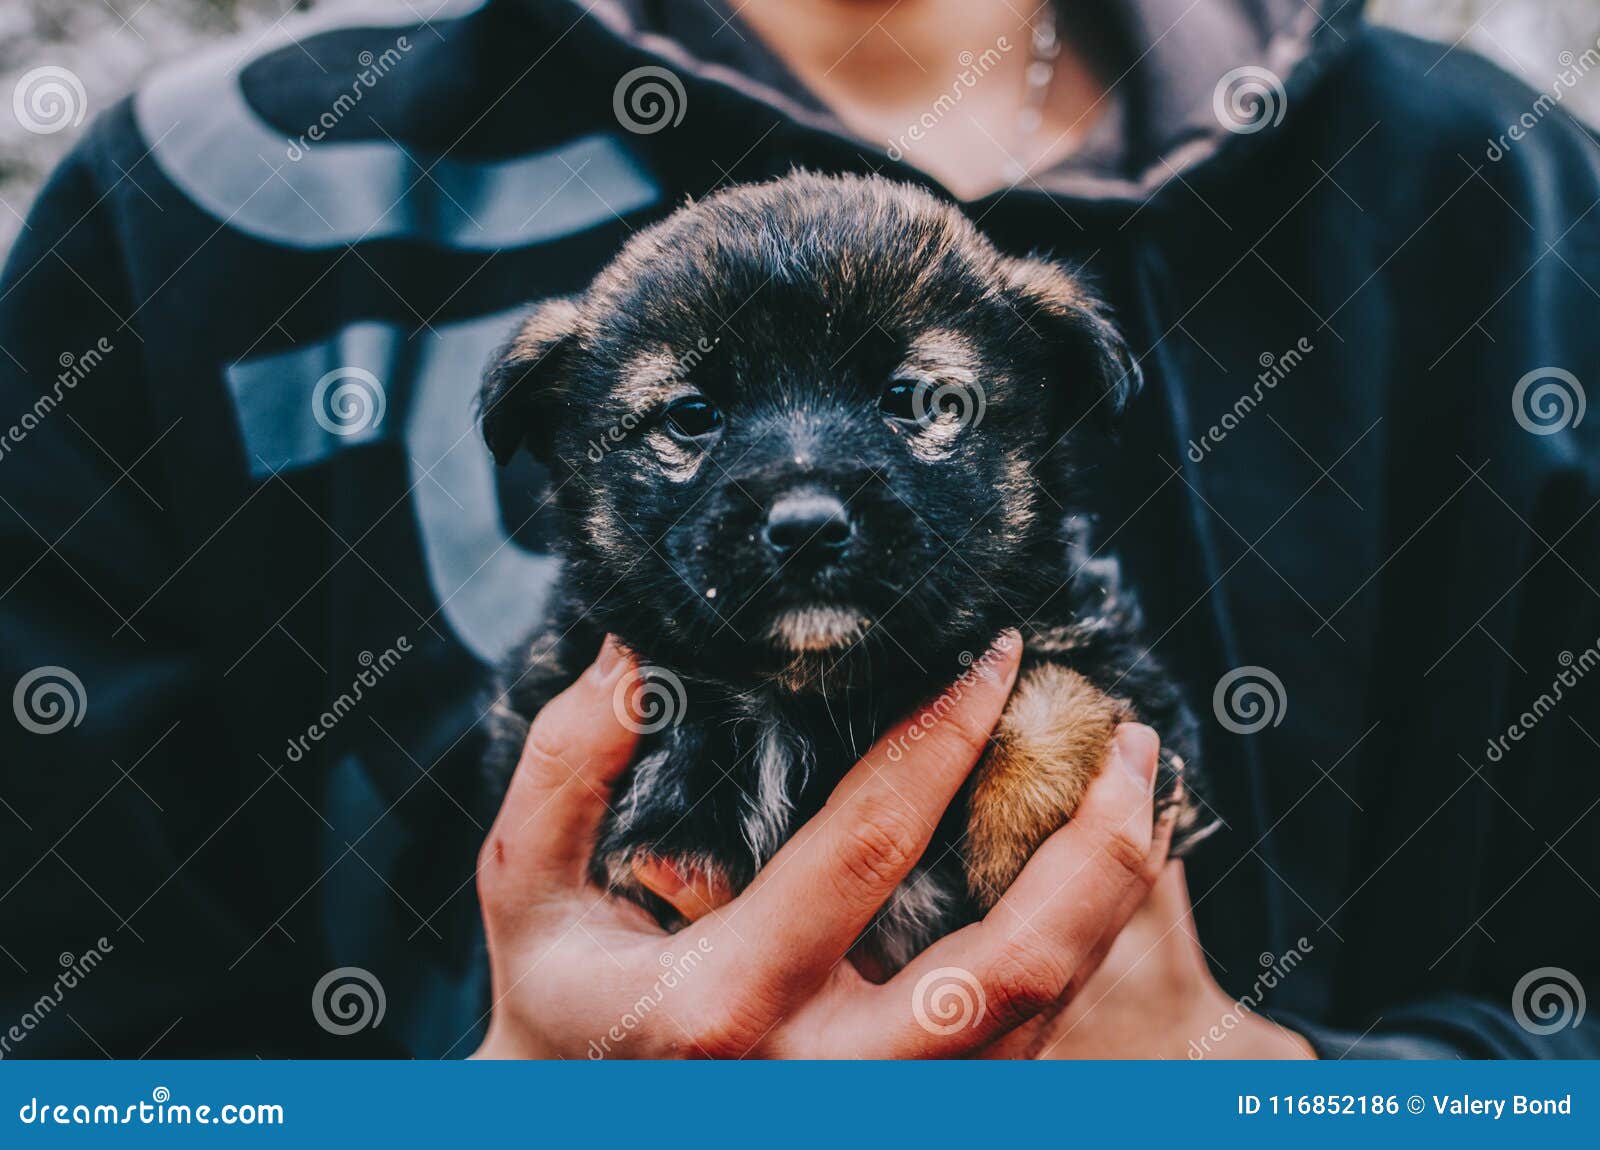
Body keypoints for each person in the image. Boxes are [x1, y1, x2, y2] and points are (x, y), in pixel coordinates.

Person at [1, 0, 1596, 1059]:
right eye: (688, 421)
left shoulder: (1500, 205)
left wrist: (1269, 1089)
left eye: (928, 404)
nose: (815, 503)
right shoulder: (204, 198)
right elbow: (70, 1059)